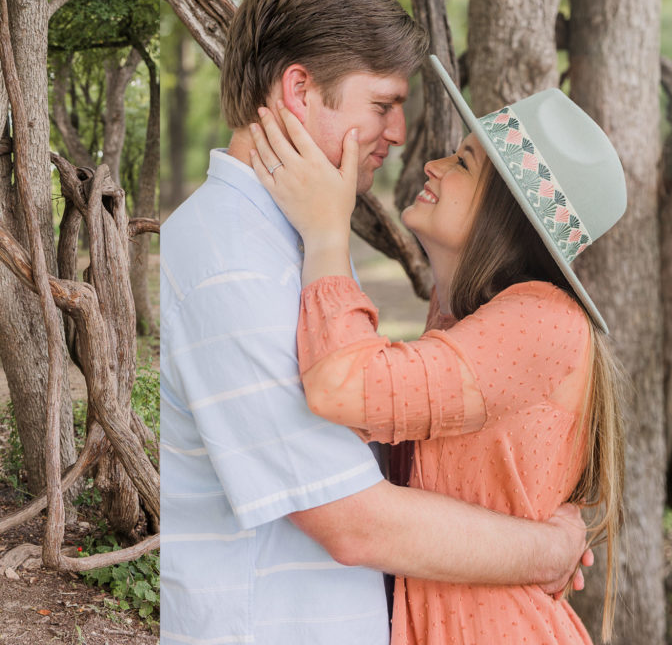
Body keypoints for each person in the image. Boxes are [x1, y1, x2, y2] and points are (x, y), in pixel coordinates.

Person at [159, 0, 590, 645]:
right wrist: (548, 547)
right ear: (299, 89)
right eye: (383, 104)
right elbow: (355, 520)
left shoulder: (289, 246)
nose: (403, 137)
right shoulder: (232, 262)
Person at [246, 55, 626, 643]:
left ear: (507, 212)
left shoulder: (543, 320)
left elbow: (344, 385)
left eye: (464, 161)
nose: (432, 163)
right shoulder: (466, 320)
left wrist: (327, 230)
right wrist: (544, 545)